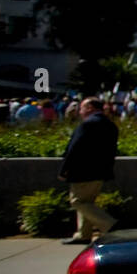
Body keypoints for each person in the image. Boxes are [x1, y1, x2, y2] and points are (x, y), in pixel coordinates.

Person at [58, 97, 119, 244]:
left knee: (77, 202)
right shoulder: (110, 125)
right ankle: (83, 234)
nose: (80, 111)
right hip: (101, 171)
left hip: (82, 171)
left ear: (90, 107)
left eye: (82, 108)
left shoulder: (87, 124)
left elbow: (74, 149)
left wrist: (64, 169)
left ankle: (110, 225)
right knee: (87, 202)